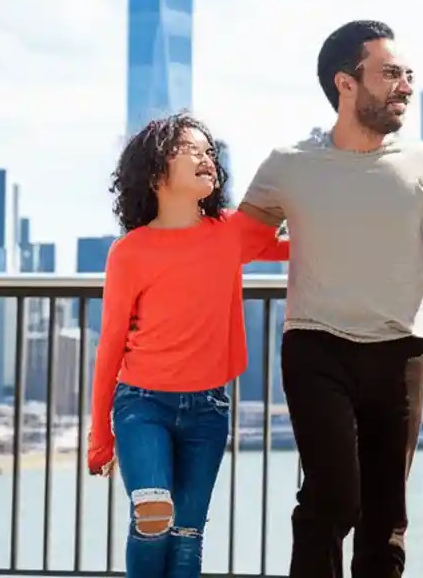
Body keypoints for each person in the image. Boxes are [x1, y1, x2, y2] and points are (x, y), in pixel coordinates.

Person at [238, 20, 423, 578]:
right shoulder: (288, 164)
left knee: (385, 517)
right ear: (346, 82)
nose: (405, 86)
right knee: (334, 496)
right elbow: (236, 243)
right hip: (316, 347)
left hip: (402, 353)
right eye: (390, 73)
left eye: (408, 75)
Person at [87, 113, 289, 578]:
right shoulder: (130, 252)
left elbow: (295, 247)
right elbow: (111, 345)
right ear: (157, 171)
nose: (206, 157)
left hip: (208, 410)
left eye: (209, 151)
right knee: (154, 515)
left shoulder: (231, 231)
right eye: (191, 149)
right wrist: (102, 436)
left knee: (188, 534)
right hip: (142, 405)